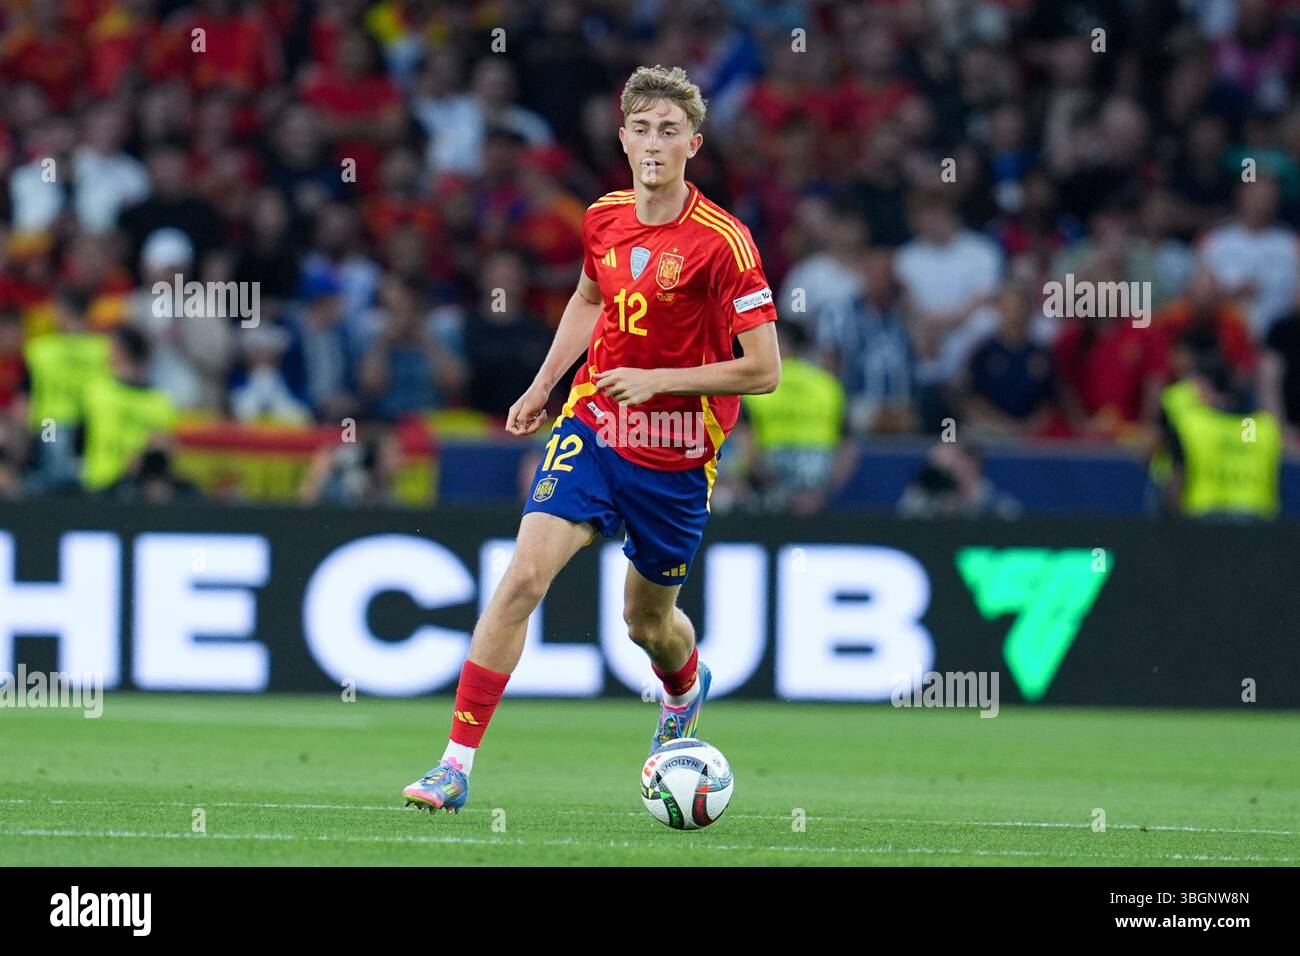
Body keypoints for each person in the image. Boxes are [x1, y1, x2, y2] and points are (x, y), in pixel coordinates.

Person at [402, 65, 781, 813]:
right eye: (640, 128)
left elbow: (764, 370)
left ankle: (683, 688)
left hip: (677, 456)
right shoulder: (603, 216)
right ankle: (454, 766)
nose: (652, 142)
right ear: (622, 138)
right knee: (522, 580)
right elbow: (587, 297)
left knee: (647, 624)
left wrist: (660, 382)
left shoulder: (724, 243)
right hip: (594, 427)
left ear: (693, 145)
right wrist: (545, 386)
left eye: (669, 130)